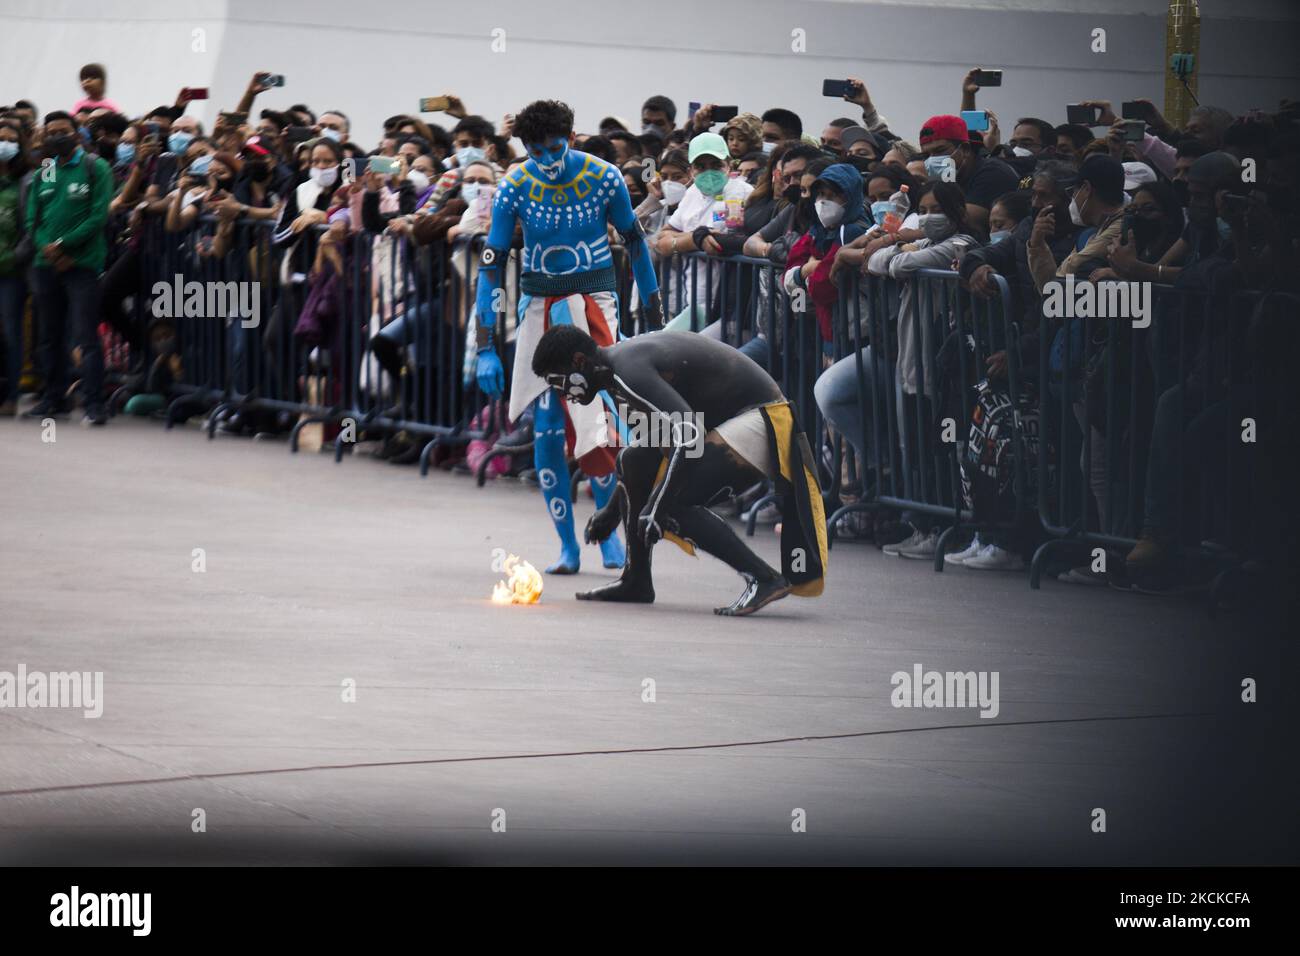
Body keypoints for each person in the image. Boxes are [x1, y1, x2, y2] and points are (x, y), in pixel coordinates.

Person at [473, 99, 663, 575]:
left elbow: (635, 241)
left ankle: (610, 537)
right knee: (547, 430)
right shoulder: (515, 184)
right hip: (539, 308)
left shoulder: (605, 177)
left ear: (572, 138)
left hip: (595, 307)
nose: (548, 160)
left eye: (555, 148)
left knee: (598, 421)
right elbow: (491, 265)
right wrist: (485, 347)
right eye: (536, 151)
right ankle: (567, 546)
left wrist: (655, 313)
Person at [532, 324, 827, 615]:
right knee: (631, 461)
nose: (561, 393)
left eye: (557, 381)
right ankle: (636, 580)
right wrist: (611, 513)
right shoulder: (616, 373)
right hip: (729, 420)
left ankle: (765, 578)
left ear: (579, 362)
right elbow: (662, 440)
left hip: (763, 418)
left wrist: (657, 506)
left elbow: (689, 433)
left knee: (671, 501)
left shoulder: (627, 372)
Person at [23, 111, 113, 424]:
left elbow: (98, 215)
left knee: (86, 336)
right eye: (51, 133)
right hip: (45, 264)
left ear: (76, 134)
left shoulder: (94, 167)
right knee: (49, 335)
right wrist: (48, 246)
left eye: (63, 131)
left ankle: (94, 403)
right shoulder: (45, 171)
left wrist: (64, 245)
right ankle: (53, 399)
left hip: (82, 265)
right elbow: (33, 218)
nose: (56, 137)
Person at [918, 113, 1020, 233]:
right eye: (926, 155)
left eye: (940, 151)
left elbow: (961, 222)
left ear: (965, 150)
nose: (932, 160)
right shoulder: (949, 177)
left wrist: (899, 236)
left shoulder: (993, 173)